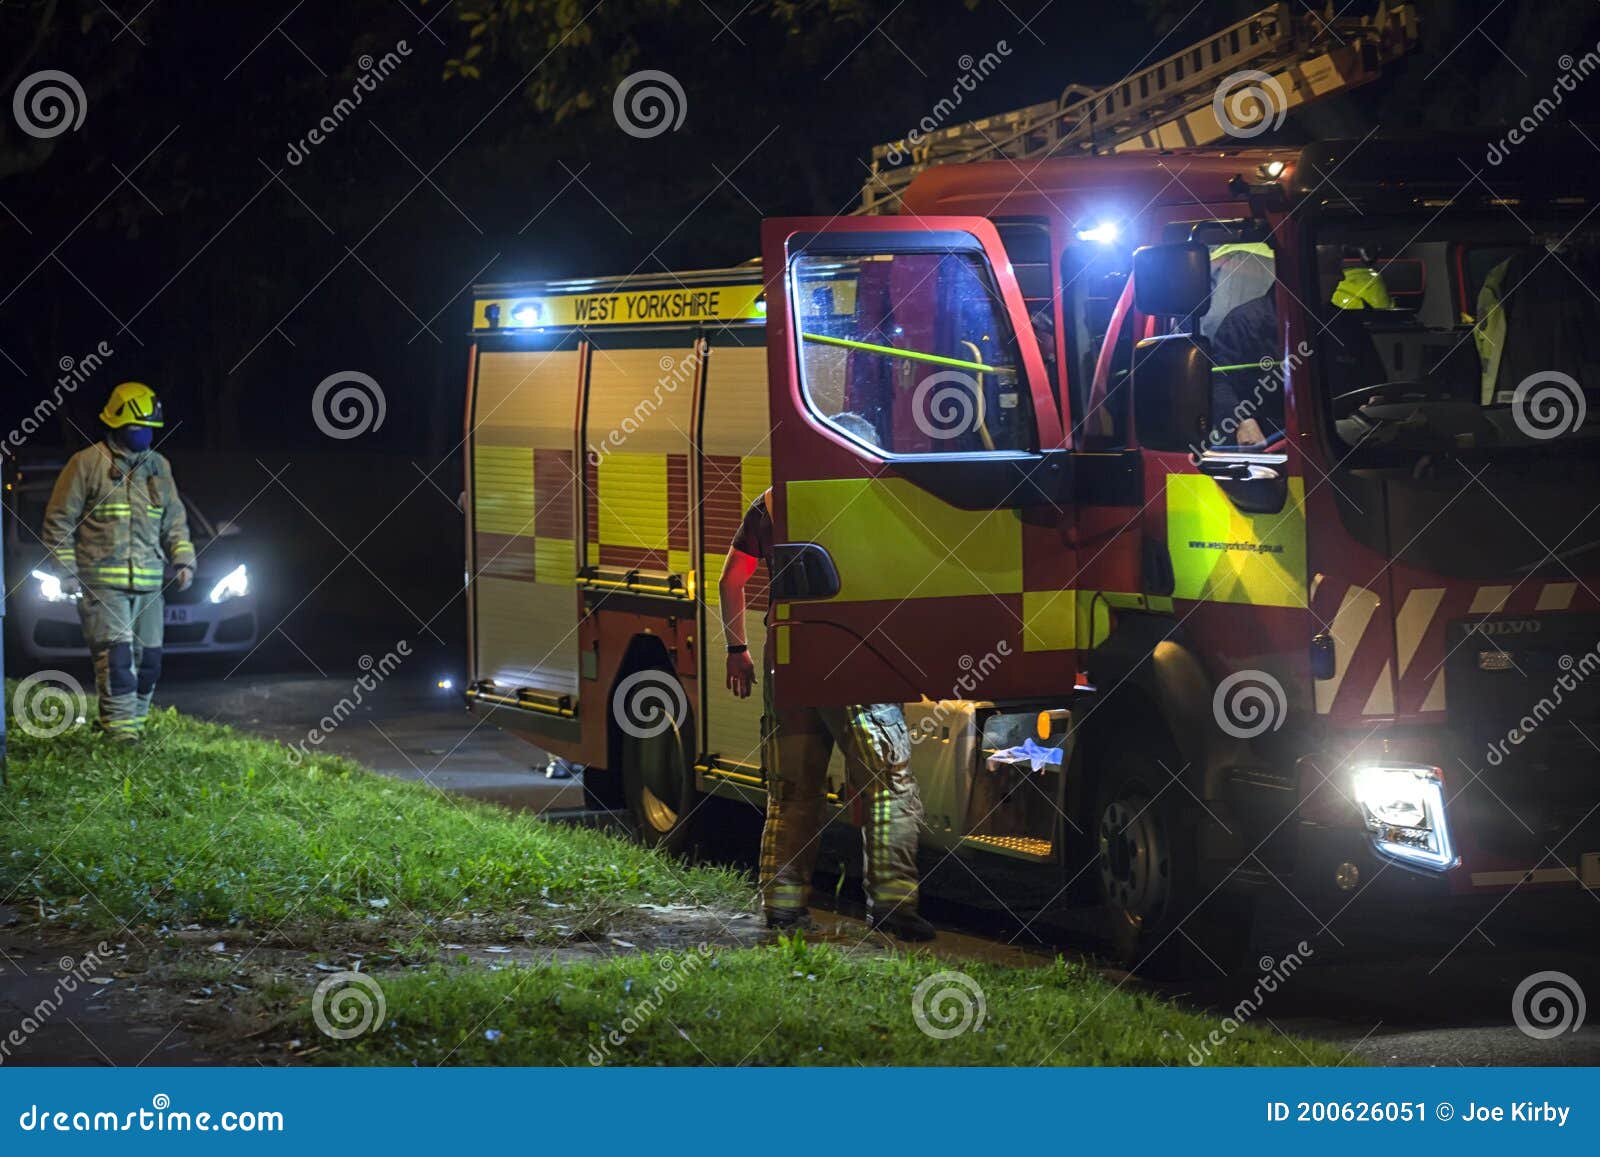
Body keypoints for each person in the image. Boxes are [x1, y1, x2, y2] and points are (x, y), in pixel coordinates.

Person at [718, 488, 934, 941]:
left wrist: (736, 648)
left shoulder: (773, 501)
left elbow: (731, 579)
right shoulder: (876, 496)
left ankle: (783, 909)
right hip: (855, 657)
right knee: (887, 785)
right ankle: (893, 908)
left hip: (789, 657)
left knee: (792, 791)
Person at [41, 382, 195, 742]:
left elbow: (174, 520)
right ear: (118, 423)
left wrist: (183, 559)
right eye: (139, 429)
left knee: (150, 661)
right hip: (103, 585)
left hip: (149, 583)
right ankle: (120, 733)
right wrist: (65, 571)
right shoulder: (86, 464)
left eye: (151, 430)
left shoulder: (159, 467)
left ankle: (135, 724)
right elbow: (58, 520)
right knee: (118, 660)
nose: (146, 436)